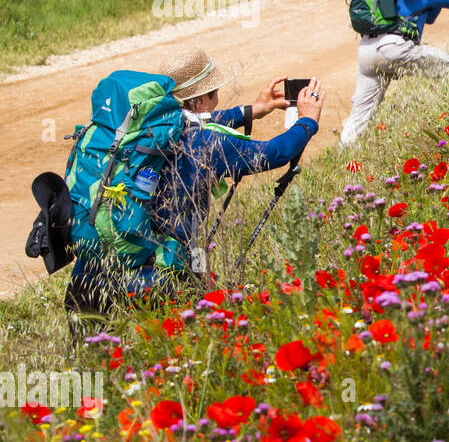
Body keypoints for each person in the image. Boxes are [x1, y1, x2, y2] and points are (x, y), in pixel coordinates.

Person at [64, 47, 325, 326]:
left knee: (94, 360)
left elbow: (196, 123)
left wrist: (251, 111)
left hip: (90, 275)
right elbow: (275, 152)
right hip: (155, 282)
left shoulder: (141, 131)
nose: (217, 98)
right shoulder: (207, 144)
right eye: (214, 93)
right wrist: (307, 121)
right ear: (201, 98)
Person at [340, 0, 449, 145]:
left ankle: (345, 158)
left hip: (368, 48)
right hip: (394, 48)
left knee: (359, 118)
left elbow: (428, 17)